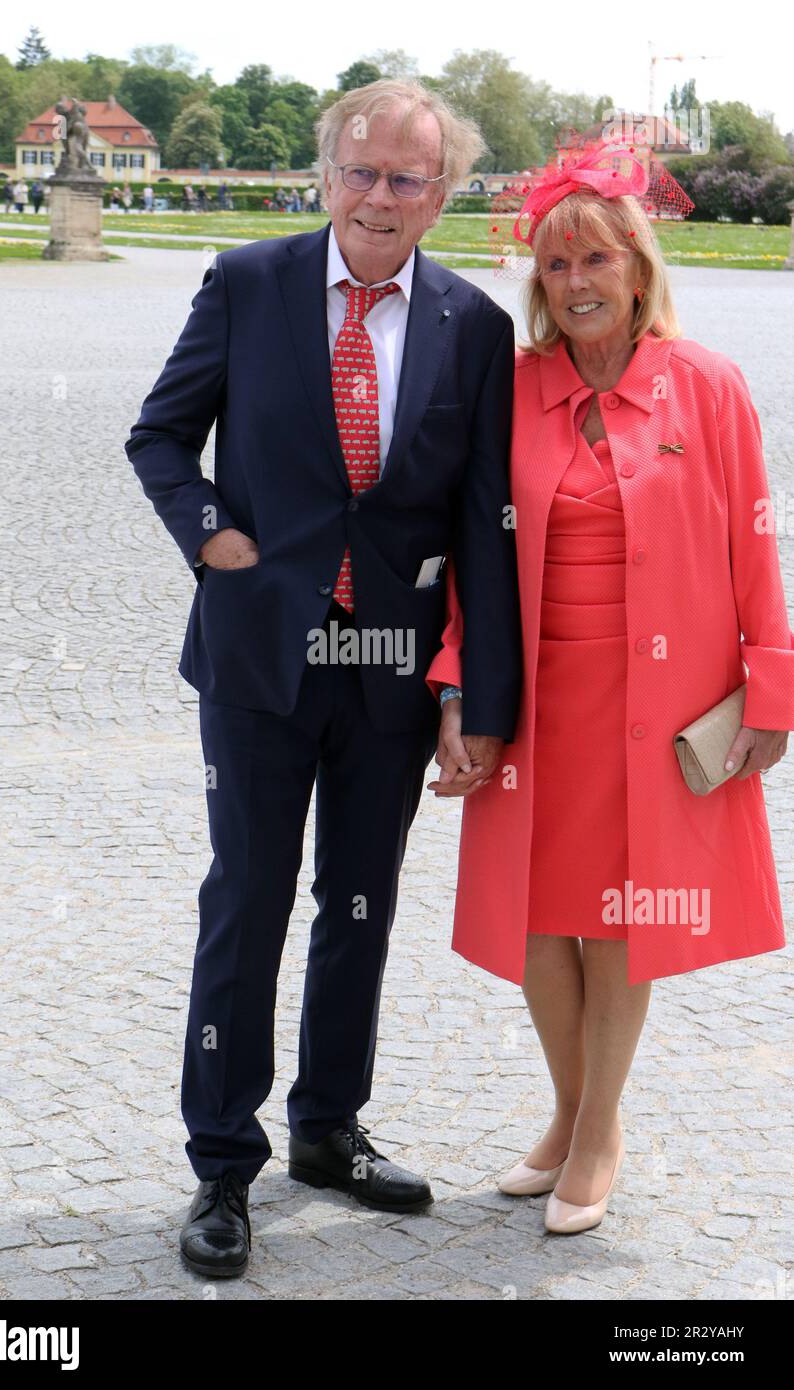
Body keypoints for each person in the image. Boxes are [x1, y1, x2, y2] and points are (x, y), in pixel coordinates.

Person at [124, 77, 521, 1278]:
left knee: (358, 904)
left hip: (389, 669)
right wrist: (208, 534)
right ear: (325, 175)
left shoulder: (475, 326)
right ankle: (220, 1162)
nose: (378, 196)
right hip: (259, 653)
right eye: (359, 172)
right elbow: (158, 432)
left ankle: (326, 1129)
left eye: (406, 177)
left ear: (440, 192)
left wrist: (476, 694)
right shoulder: (248, 284)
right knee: (245, 899)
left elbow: (484, 524)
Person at [426, 141, 794, 1236]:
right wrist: (456, 690)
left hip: (654, 704)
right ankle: (571, 1109)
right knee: (540, 922)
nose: (573, 282)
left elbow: (753, 544)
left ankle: (596, 1135)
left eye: (594, 259)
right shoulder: (513, 386)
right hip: (534, 698)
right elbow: (468, 558)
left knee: (624, 917)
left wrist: (770, 689)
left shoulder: (708, 386)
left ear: (637, 267)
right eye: (552, 264)